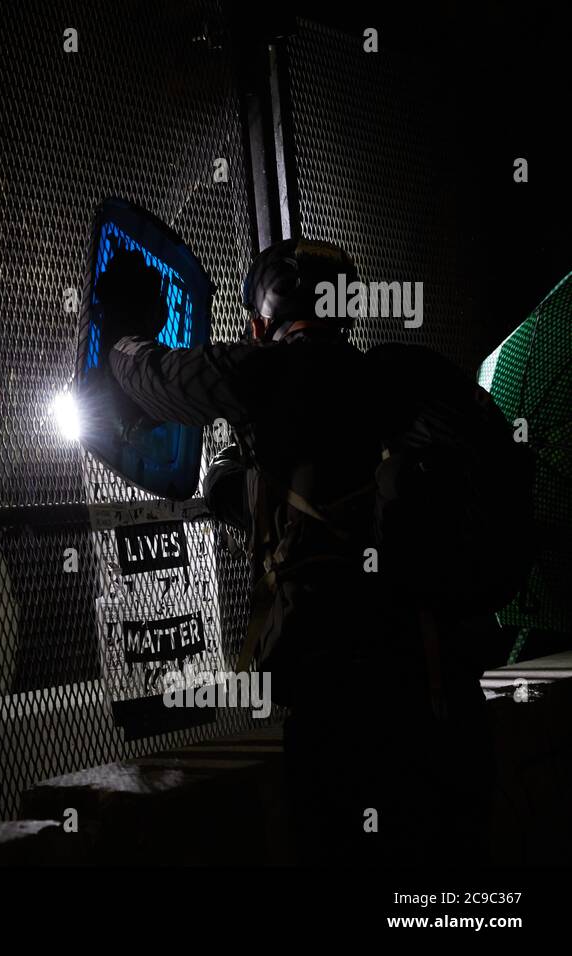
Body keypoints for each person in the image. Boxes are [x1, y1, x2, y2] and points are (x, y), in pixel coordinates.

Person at [93, 239, 500, 864]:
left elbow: (160, 378)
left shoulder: (269, 373)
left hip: (338, 679)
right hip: (439, 672)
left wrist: (122, 333)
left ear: (259, 324)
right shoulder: (397, 375)